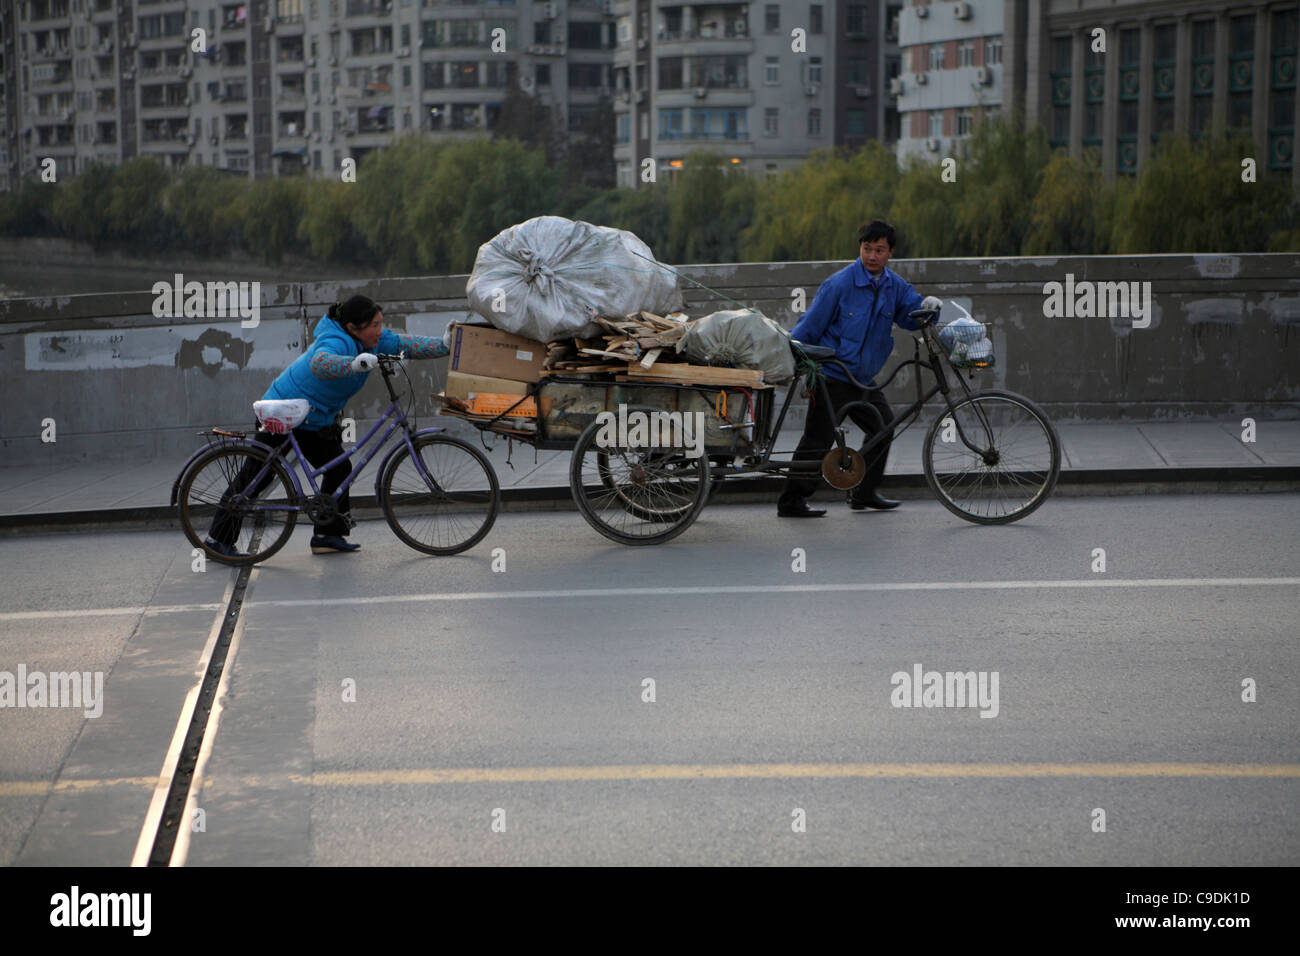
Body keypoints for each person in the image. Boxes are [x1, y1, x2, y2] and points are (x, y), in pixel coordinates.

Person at [205, 294, 449, 557]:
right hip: (283, 411)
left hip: (314, 417)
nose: (380, 331)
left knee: (339, 468)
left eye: (381, 324)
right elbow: (320, 363)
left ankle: (327, 536)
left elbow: (405, 344)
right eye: (374, 325)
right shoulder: (335, 339)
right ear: (353, 327)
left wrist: (444, 345)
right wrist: (352, 364)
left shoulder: (371, 340)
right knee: (257, 475)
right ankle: (217, 541)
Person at [777, 219, 941, 518]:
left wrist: (929, 308)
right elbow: (809, 327)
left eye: (879, 250)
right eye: (867, 249)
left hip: (862, 378)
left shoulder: (896, 287)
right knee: (818, 438)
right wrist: (800, 365)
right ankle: (791, 501)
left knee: (883, 428)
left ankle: (864, 493)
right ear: (860, 249)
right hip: (831, 374)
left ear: (891, 252)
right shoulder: (839, 284)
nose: (872, 256)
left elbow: (910, 315)